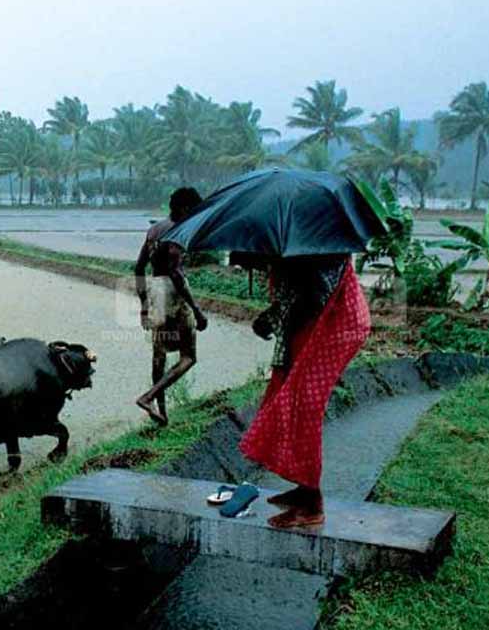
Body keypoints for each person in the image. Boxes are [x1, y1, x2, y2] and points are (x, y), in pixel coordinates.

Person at [238, 255, 371, 528]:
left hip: (338, 323)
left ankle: (312, 504)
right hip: (316, 319)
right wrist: (273, 316)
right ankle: (303, 487)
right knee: (285, 391)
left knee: (304, 403)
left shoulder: (319, 249)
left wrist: (275, 317)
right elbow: (296, 296)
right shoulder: (292, 248)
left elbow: (314, 298)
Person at [133, 187, 208, 426]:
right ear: (185, 208)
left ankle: (161, 412)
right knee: (189, 356)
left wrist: (144, 305)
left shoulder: (154, 230)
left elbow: (138, 268)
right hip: (173, 294)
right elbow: (176, 273)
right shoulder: (178, 231)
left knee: (159, 356)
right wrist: (197, 309)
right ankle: (148, 397)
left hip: (156, 291)